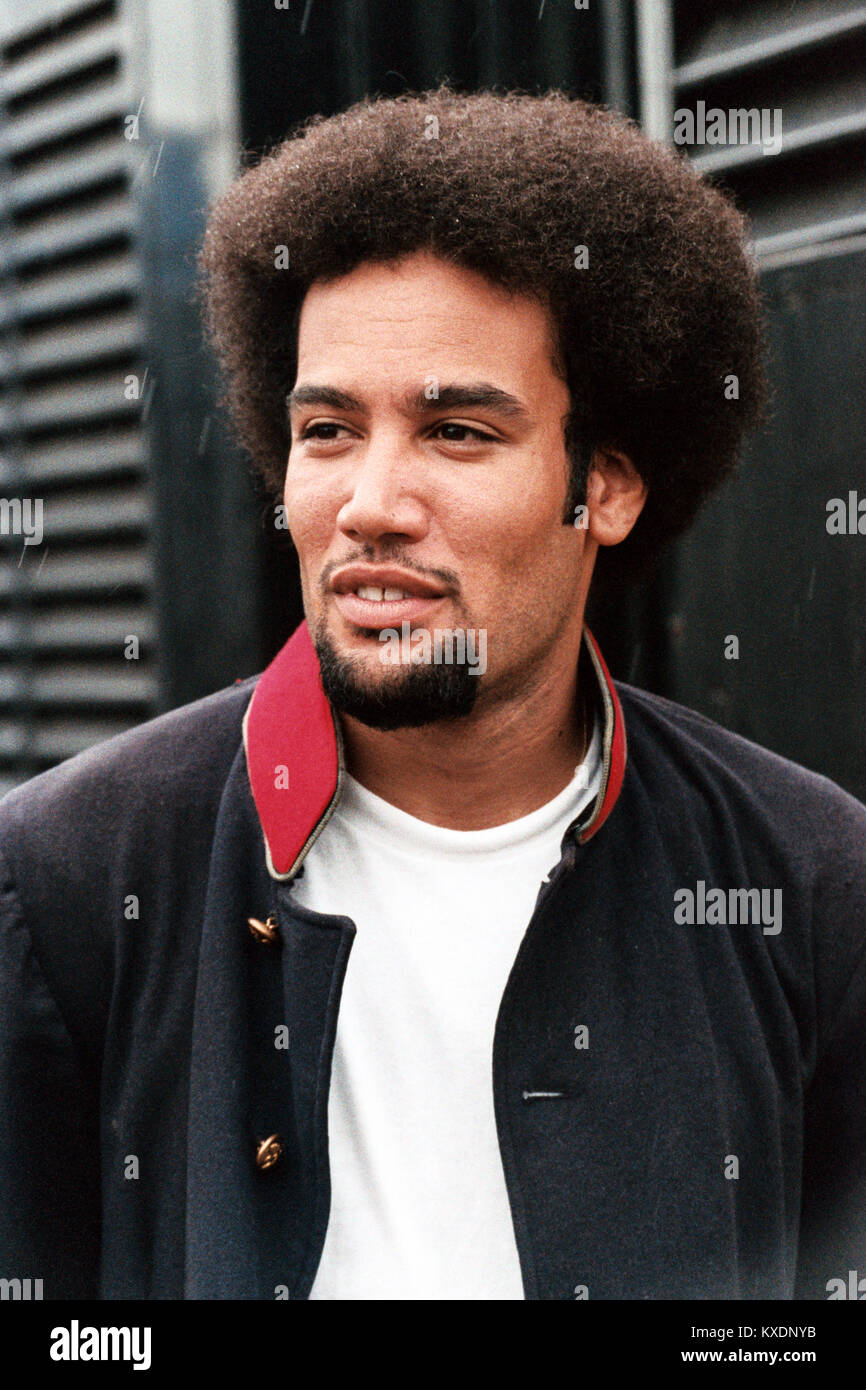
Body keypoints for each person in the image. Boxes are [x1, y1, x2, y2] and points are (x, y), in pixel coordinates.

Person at [1, 87, 863, 1301]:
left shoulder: (807, 882)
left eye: (455, 431)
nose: (369, 503)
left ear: (602, 487)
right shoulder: (71, 876)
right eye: (327, 430)